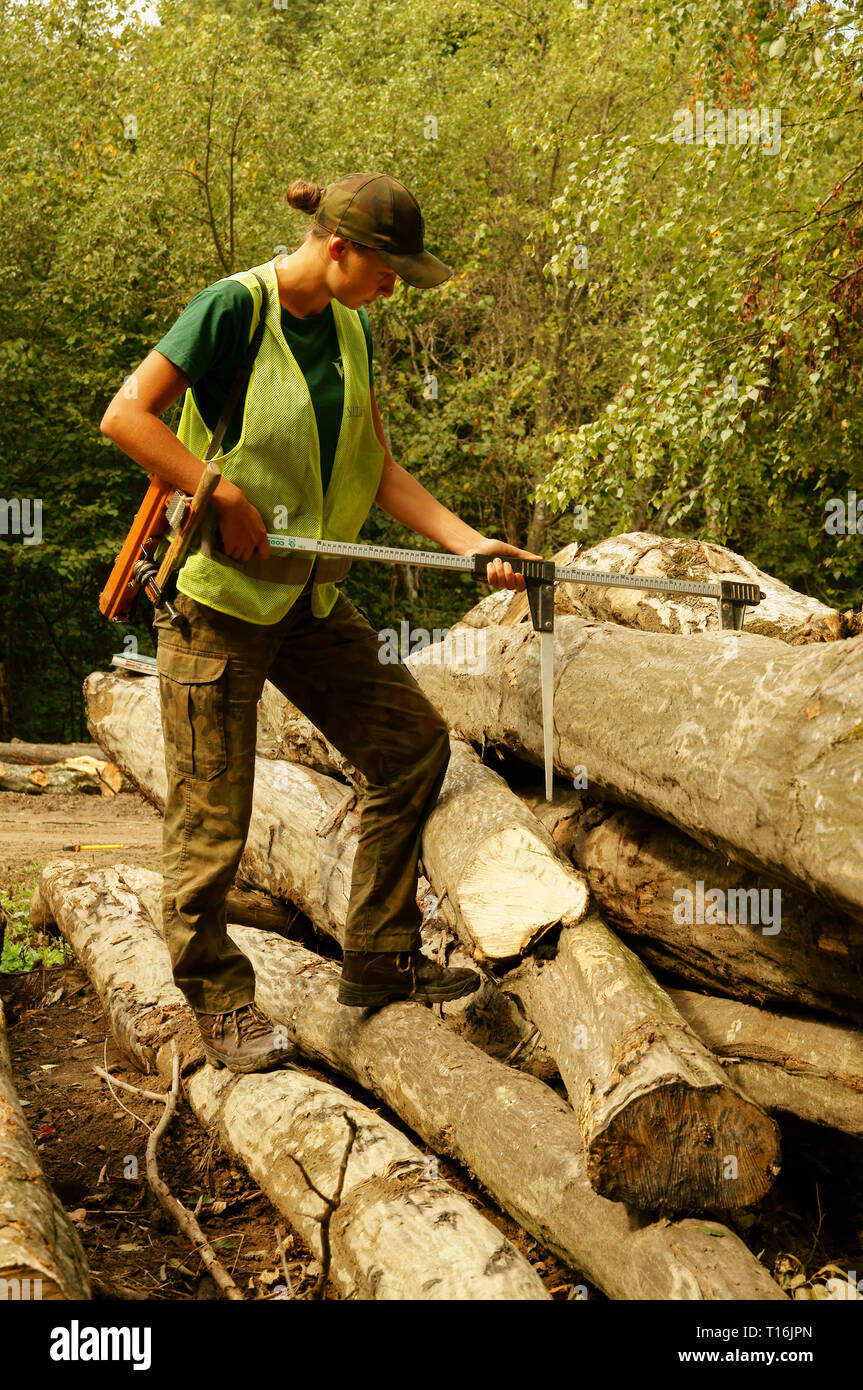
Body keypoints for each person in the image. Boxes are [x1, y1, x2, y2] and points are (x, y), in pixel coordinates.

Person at [100, 172, 541, 1073]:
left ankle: (376, 958)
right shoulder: (233, 311)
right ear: (338, 248)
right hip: (218, 605)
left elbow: (374, 465)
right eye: (388, 272)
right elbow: (124, 415)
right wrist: (213, 493)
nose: (393, 291)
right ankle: (218, 1006)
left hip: (309, 600)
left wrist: (470, 541)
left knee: (411, 746)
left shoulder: (351, 324)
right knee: (211, 815)